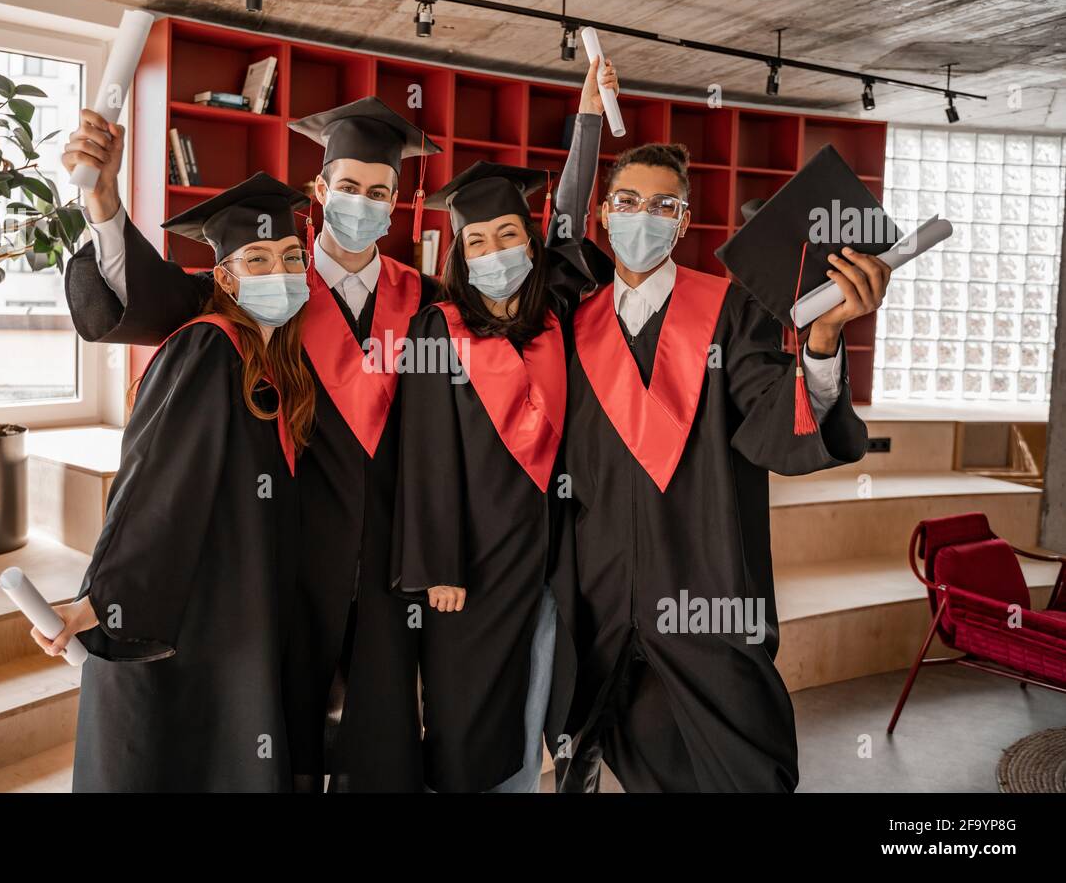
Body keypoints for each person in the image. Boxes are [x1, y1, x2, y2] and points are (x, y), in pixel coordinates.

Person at [56, 98, 441, 792]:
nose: (363, 204)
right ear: (320, 193)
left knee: (369, 750)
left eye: (379, 192)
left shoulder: (426, 301)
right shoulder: (244, 304)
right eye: (348, 187)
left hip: (382, 571)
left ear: (397, 203)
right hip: (280, 576)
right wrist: (103, 204)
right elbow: (149, 297)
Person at [550, 141, 892, 792]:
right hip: (600, 607)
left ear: (683, 221)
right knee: (640, 768)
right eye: (627, 201)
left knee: (748, 774)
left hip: (706, 598)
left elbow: (773, 420)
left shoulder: (727, 311)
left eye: (663, 205)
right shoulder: (572, 324)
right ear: (602, 212)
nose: (642, 217)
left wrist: (821, 341)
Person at [29, 173, 316, 791]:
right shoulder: (210, 349)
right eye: (258, 258)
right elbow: (156, 483)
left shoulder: (272, 359)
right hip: (193, 609)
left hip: (235, 608)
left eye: (292, 258)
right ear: (227, 276)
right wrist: (106, 596)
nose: (280, 271)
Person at [389, 57, 619, 793]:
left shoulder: (554, 310)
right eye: (477, 242)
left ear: (528, 239)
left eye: (507, 235)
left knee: (538, 693)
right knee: (466, 710)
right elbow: (424, 459)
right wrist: (437, 566)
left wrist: (587, 117)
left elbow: (572, 212)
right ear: (460, 251)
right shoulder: (439, 327)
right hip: (472, 566)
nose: (495, 253)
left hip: (552, 556)